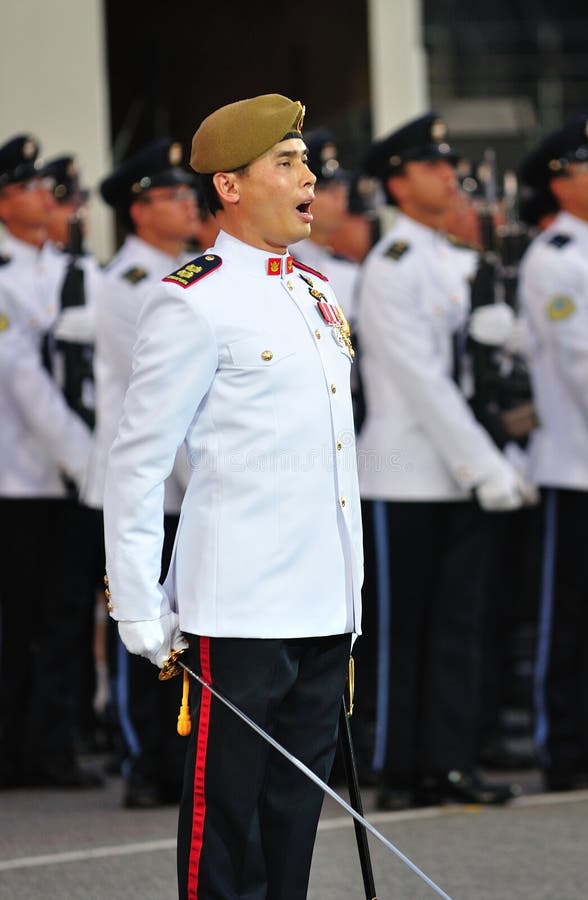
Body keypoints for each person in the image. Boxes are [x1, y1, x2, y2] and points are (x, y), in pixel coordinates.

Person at [102, 94, 362, 900]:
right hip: (242, 607)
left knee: (292, 823)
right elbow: (138, 461)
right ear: (230, 186)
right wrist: (139, 605)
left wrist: (351, 595)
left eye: (305, 161)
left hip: (324, 602)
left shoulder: (315, 292)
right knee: (229, 829)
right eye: (284, 162)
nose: (307, 175)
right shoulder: (194, 300)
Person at [355, 113, 526, 810]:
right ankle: (395, 767)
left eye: (447, 164)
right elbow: (421, 381)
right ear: (397, 181)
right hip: (406, 475)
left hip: (454, 474)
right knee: (399, 633)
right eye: (430, 165)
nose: (447, 174)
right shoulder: (391, 265)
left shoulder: (453, 261)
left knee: (458, 625)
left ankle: (448, 762)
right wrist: (485, 464)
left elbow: (474, 374)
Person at [85, 138, 200, 806]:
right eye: (172, 194)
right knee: (141, 612)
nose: (189, 203)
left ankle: (173, 754)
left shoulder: (185, 273)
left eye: (188, 192)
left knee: (184, 619)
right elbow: (157, 404)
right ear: (138, 209)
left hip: (183, 482)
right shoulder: (129, 284)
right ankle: (141, 759)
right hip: (150, 483)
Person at [0, 134, 101, 788]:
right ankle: (10, 750)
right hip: (18, 476)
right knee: (15, 623)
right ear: (5, 201)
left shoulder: (77, 273)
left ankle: (55, 747)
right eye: (33, 188)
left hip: (76, 478)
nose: (48, 198)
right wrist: (80, 456)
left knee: (67, 616)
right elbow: (24, 380)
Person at [518, 114, 588, 791]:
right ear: (560, 184)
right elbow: (586, 368)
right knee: (567, 614)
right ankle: (563, 745)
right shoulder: (556, 257)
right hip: (576, 464)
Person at [292, 130, 360, 323]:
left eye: (341, 187)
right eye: (328, 189)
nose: (341, 197)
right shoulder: (282, 263)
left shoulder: (346, 266)